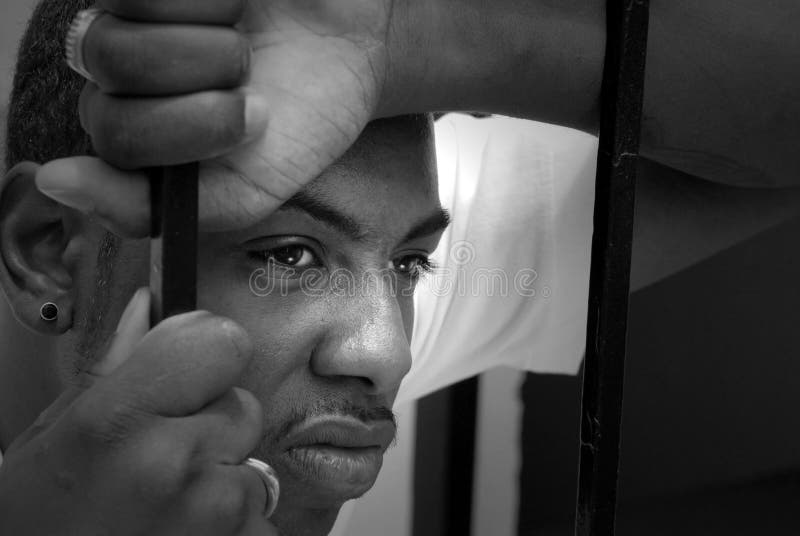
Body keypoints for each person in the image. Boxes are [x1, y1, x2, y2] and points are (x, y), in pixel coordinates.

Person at [1, 0, 799, 535]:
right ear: (46, 253)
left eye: (415, 263)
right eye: (288, 255)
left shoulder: (350, 305)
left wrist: (406, 46)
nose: (386, 356)